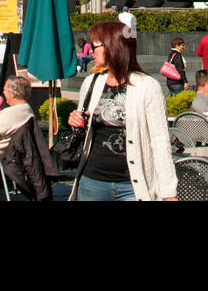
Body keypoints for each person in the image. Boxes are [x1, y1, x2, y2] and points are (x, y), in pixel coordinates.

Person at [68, 20, 177, 201]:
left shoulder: (147, 86)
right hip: (93, 181)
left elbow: (160, 142)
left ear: (112, 47)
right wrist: (75, 119)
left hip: (134, 186)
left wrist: (168, 192)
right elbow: (83, 126)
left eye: (95, 46)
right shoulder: (91, 83)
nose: (91, 51)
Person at [0, 76, 35, 162]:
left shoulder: (8, 114)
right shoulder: (28, 111)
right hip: (6, 154)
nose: (3, 92)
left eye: (5, 90)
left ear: (13, 93)